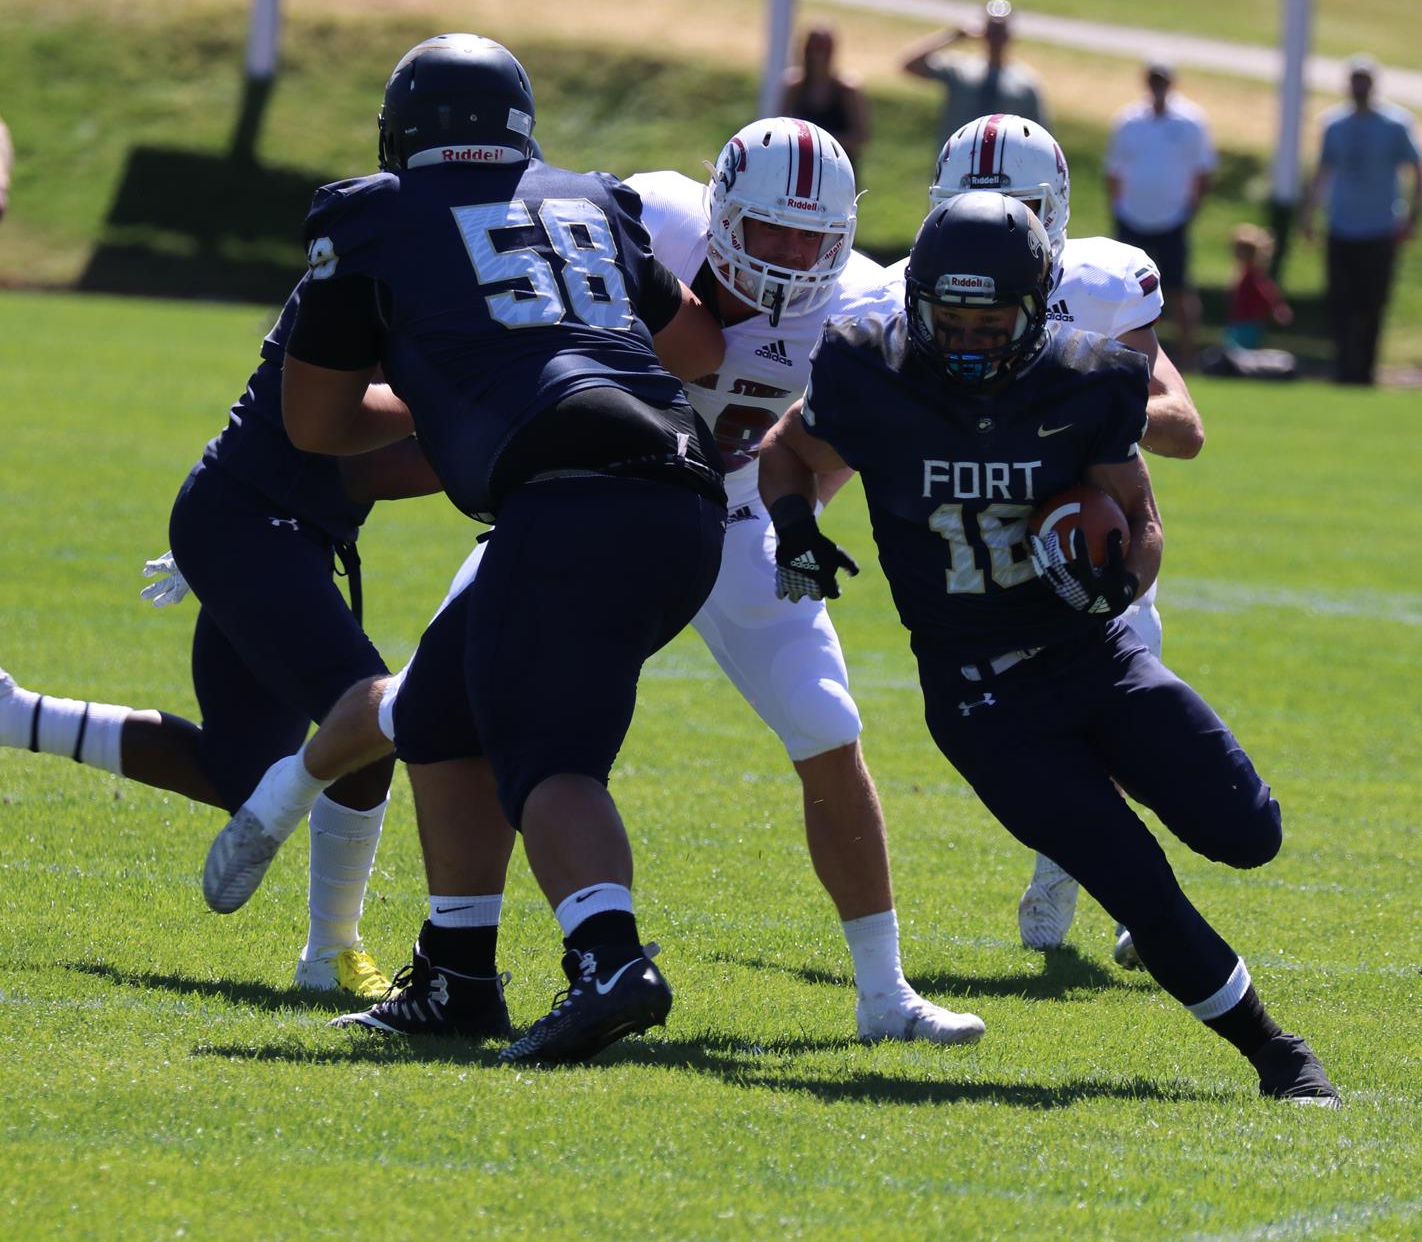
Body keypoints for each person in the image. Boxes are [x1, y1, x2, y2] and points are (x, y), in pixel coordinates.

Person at [233, 118, 986, 1048]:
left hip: (741, 513)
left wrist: (802, 517)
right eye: (772, 232)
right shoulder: (650, 219)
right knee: (435, 693)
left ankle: (885, 995)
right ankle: (292, 792)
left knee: (827, 722)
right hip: (591, 492)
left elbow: (837, 437)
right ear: (718, 214)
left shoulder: (870, 303)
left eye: (812, 237)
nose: (793, 257)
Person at [207, 33, 729, 1065]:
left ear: (398, 132)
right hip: (682, 488)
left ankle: (608, 959)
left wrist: (454, 401)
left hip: (568, 499)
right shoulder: (595, 199)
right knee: (442, 714)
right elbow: (700, 347)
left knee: (547, 754)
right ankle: (454, 975)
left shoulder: (372, 215)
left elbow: (316, 423)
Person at [757, 192, 1338, 1103]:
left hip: (1094, 655)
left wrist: (1116, 580)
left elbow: (1141, 520)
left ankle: (1130, 802)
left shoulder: (1088, 378)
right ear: (916, 306)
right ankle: (1276, 1053)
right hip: (983, 697)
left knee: (1249, 831)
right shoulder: (867, 367)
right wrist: (794, 528)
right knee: (1132, 879)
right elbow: (785, 450)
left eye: (991, 324)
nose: (967, 343)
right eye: (949, 320)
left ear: (1039, 311)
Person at [0, 281, 443, 998]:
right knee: (368, 721)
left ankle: (14, 714)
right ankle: (330, 952)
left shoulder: (410, 259)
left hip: (264, 527)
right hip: (251, 527)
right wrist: (482, 442)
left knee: (238, 772)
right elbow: (359, 456)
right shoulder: (382, 266)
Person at [881, 113, 1206, 965]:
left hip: (1086, 545)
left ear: (1053, 211)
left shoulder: (1100, 284)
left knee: (1136, 736)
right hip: (979, 561)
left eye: (1017, 206)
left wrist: (1074, 393)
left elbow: (1183, 426)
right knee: (1044, 747)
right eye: (973, 206)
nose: (996, 230)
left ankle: (1118, 891)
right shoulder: (903, 290)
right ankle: (1079, 866)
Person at [1299, 55, 1422, 386]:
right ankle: (1343, 369)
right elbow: (1323, 171)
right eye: (1355, 80)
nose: (1359, 87)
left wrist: (1414, 213)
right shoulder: (1334, 124)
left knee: (1372, 303)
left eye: (1364, 80)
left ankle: (1365, 371)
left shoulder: (1395, 123)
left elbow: (1417, 167)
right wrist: (1309, 214)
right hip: (1342, 224)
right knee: (1340, 302)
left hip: (1380, 226)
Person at [1105, 61, 1216, 365]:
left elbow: (1203, 172)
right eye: (1153, 80)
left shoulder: (1191, 121)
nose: (1157, 85)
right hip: (1131, 216)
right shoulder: (1128, 120)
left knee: (1180, 288)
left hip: (1172, 218)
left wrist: (1189, 209)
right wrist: (1119, 208)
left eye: (1162, 80)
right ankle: (1114, 351)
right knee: (1121, 289)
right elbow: (1114, 170)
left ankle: (1186, 357)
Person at [899, 0, 1046, 149]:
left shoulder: (1025, 84)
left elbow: (1039, 137)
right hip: (956, 162)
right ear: (983, 32)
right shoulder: (960, 70)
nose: (996, 38)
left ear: (1009, 35)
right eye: (992, 31)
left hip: (1002, 166)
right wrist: (954, 36)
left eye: (1000, 33)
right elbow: (910, 65)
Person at [779, 27, 870, 174]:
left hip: (837, 170)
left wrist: (814, 141)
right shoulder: (794, 86)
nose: (818, 55)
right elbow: (780, 129)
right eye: (814, 48)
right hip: (800, 167)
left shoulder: (847, 90)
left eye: (823, 48)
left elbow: (860, 137)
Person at [1224, 224, 1293, 351]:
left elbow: (1267, 293)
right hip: (1237, 321)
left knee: (1241, 355)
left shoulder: (1253, 275)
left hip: (1248, 323)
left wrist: (1277, 309)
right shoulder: (1243, 272)